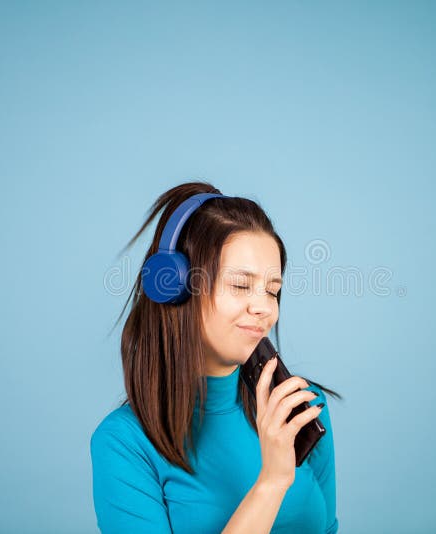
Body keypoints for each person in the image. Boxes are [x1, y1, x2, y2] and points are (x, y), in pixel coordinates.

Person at [90, 181, 341, 533]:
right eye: (241, 285)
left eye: (273, 290)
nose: (264, 309)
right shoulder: (123, 443)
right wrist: (271, 483)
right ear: (173, 287)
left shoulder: (300, 407)